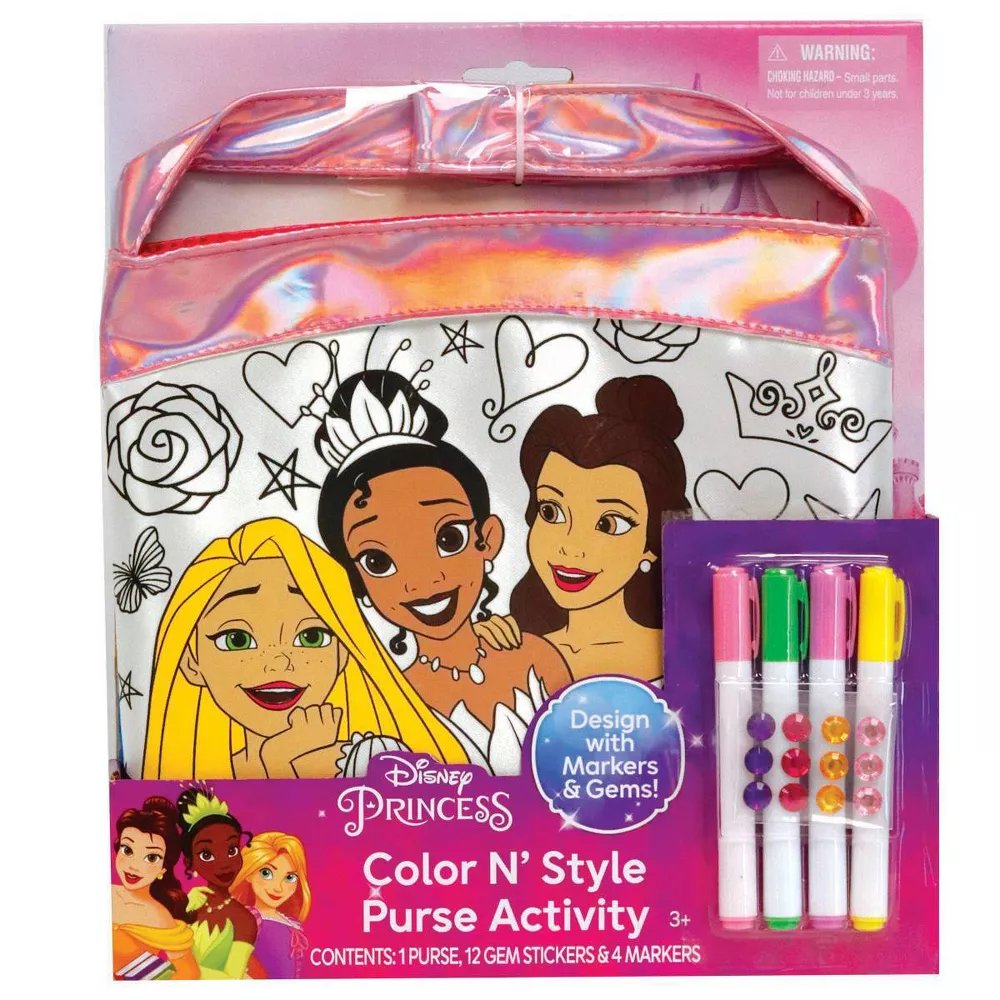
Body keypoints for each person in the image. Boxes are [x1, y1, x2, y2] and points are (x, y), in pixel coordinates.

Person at [315, 370, 571, 731]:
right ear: (354, 580)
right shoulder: (395, 702)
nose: (423, 580)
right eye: (378, 561)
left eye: (449, 539)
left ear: (488, 538)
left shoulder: (535, 658)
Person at [142, 517, 469, 780]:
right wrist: (277, 759)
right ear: (192, 661)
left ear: (344, 650)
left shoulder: (374, 762)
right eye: (237, 639)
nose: (278, 663)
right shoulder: (191, 781)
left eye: (311, 636)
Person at [503, 376, 690, 681]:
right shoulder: (514, 651)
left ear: (652, 543)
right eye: (551, 511)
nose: (571, 546)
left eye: (609, 523)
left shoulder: (680, 654)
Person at [111, 796, 199, 980]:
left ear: (164, 868)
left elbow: (189, 973)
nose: (134, 866)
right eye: (127, 850)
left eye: (151, 858)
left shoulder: (159, 917)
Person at [231, 832, 311, 979]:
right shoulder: (248, 918)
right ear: (249, 873)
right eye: (266, 873)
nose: (278, 888)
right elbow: (233, 966)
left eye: (289, 877)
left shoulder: (291, 923)